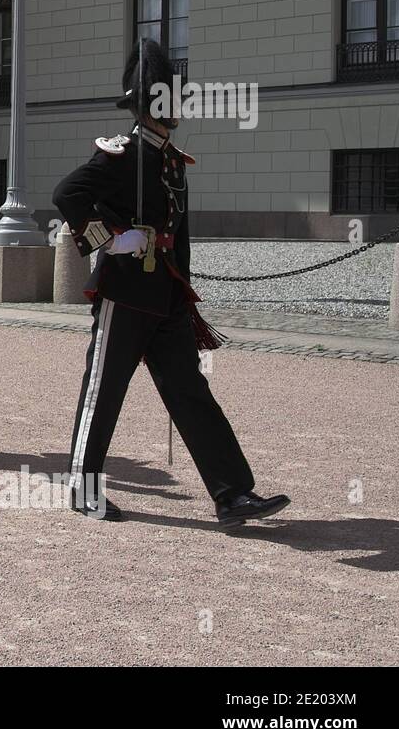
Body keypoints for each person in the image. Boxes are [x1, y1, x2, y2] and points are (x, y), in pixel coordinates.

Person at [52, 37, 291, 527]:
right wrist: (109, 239)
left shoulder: (174, 161)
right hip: (124, 292)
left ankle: (232, 493)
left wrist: (184, 294)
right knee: (104, 390)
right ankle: (82, 487)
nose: (176, 107)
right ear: (146, 104)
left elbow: (179, 236)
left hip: (165, 296)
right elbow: (66, 193)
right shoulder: (121, 154)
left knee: (191, 392)